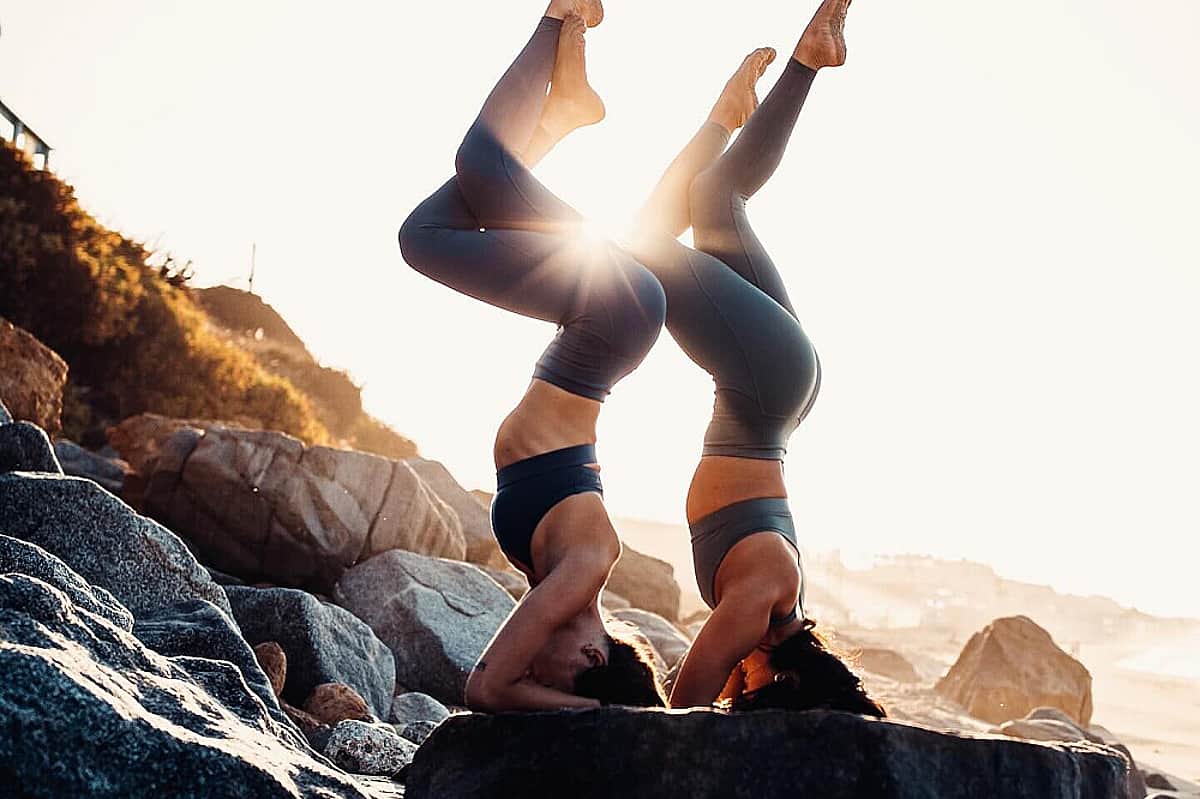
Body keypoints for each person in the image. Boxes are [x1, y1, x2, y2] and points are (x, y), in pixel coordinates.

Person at [398, 0, 667, 711]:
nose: (534, 673)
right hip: (613, 314)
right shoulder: (582, 571)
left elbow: (503, 678)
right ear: (592, 654)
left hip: (601, 322)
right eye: (554, 678)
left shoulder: (558, 581)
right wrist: (606, 718)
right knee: (475, 168)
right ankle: (559, 17)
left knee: (433, 227)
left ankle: (561, 115)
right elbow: (489, 686)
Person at [626, 0, 884, 715]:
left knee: (715, 196)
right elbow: (681, 708)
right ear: (790, 681)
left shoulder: (776, 612)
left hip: (774, 392)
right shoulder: (761, 608)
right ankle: (727, 113)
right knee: (641, 245)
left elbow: (719, 682)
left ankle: (807, 60)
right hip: (763, 387)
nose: (746, 692)